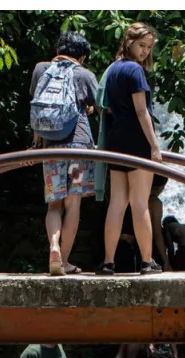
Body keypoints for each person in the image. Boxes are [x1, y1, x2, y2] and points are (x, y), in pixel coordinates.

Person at [29, 31, 99, 276]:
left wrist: (36, 145)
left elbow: (38, 111)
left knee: (54, 206)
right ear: (82, 56)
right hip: (78, 149)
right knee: (74, 203)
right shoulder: (84, 74)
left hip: (51, 148)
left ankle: (54, 247)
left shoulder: (41, 70)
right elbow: (100, 106)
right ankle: (65, 260)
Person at [98, 22, 163, 276]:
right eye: (142, 45)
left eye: (149, 47)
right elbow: (141, 111)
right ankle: (147, 262)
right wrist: (155, 146)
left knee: (117, 203)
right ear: (129, 43)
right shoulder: (135, 71)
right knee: (139, 203)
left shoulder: (112, 69)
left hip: (116, 139)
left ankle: (108, 262)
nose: (145, 51)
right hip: (136, 141)